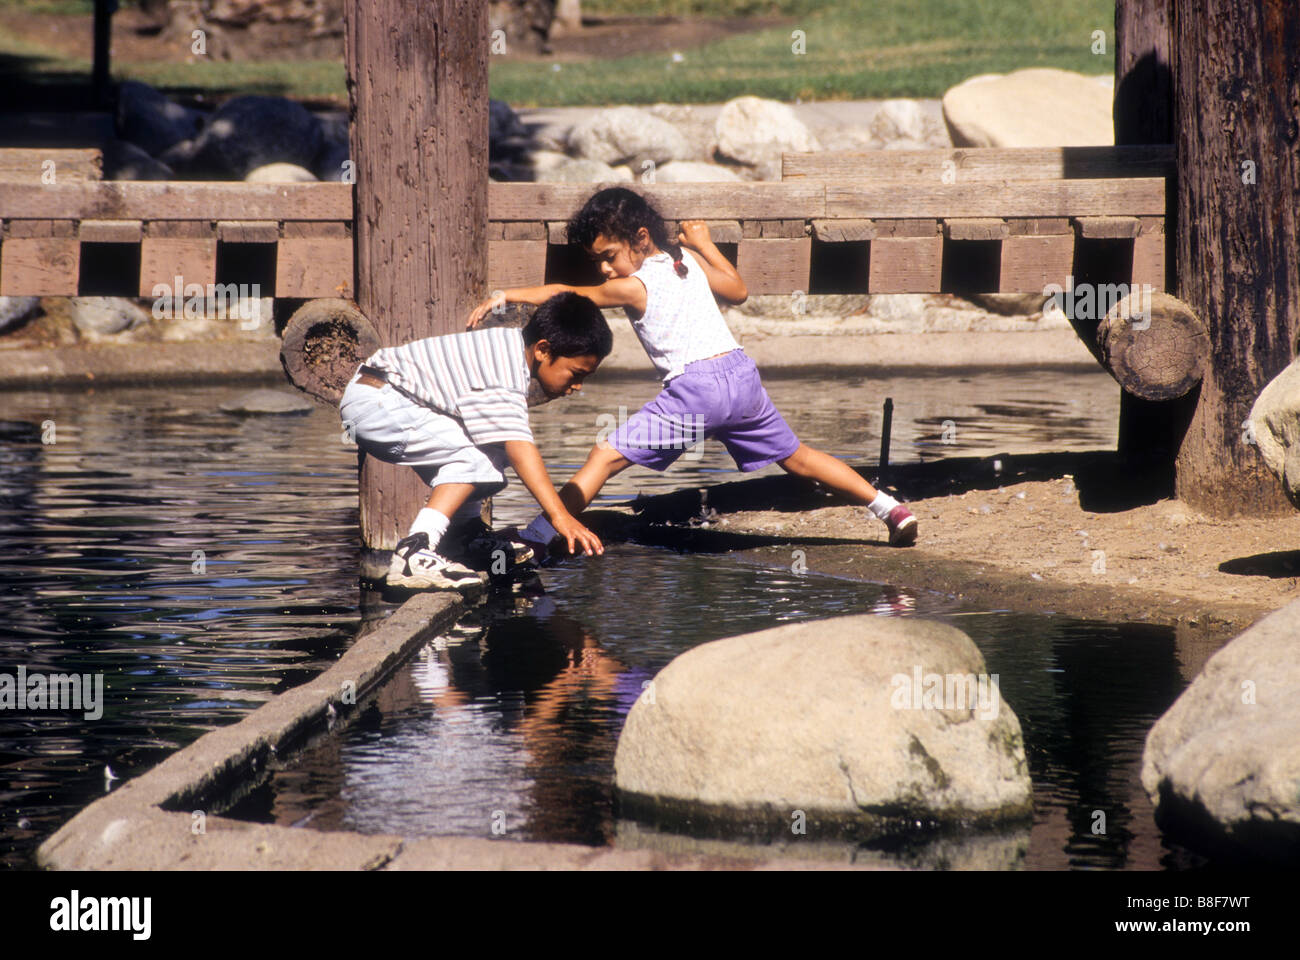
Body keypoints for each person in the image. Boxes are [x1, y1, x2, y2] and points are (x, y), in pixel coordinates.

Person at [467, 186, 918, 552]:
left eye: (609, 255)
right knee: (798, 459)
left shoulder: (633, 286)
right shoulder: (689, 265)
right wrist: (706, 245)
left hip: (697, 389)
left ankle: (538, 537)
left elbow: (569, 292)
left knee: (604, 457)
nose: (605, 269)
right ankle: (889, 509)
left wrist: (510, 295)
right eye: (598, 262)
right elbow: (738, 291)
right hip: (742, 376)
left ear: (641, 239)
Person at [340, 292, 609, 590]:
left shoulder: (509, 350)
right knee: (479, 457)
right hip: (379, 403)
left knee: (490, 449)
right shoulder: (503, 369)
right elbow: (520, 447)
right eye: (575, 373)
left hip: (384, 400)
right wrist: (560, 517)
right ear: (543, 349)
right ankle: (413, 553)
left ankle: (461, 539)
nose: (577, 386)